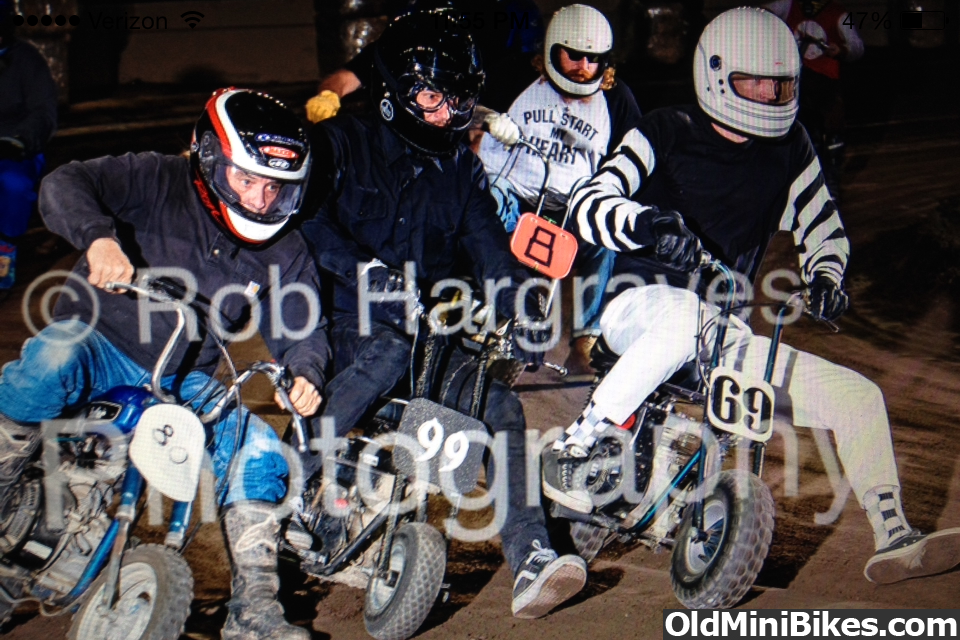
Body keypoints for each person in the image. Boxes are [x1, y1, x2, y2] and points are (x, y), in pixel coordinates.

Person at [541, 7, 960, 585]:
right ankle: (578, 444)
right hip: (636, 306)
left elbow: (823, 226)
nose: (768, 95)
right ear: (716, 74)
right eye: (754, 83)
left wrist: (827, 276)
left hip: (719, 330)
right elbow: (589, 202)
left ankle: (895, 536)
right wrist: (645, 225)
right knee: (685, 315)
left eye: (779, 85)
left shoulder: (791, 146)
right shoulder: (664, 129)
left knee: (857, 393)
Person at [0, 89, 330, 640]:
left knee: (260, 451)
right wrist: (98, 238)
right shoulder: (155, 178)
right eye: (246, 179)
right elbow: (65, 182)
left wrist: (305, 373)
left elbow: (302, 325)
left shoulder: (285, 248)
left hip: (183, 378)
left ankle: (254, 611)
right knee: (51, 360)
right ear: (210, 158)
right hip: (97, 340)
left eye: (275, 187)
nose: (259, 199)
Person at [298, 10, 587, 619]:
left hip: (423, 337)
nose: (446, 114)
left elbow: (492, 253)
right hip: (342, 327)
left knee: (501, 406)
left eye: (457, 100)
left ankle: (531, 555)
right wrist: (365, 273)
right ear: (394, 90)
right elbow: (309, 226)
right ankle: (293, 479)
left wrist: (521, 309)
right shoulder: (339, 143)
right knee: (389, 350)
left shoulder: (461, 168)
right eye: (432, 97)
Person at [478, 4, 642, 373]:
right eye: (574, 55)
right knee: (482, 204)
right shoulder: (514, 76)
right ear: (551, 50)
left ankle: (587, 338)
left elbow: (637, 152)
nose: (584, 66)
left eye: (593, 59)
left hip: (573, 208)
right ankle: (473, 304)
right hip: (515, 196)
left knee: (608, 238)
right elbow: (461, 108)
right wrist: (488, 118)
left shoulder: (617, 99)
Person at [306, 0, 544, 124]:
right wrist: (328, 95)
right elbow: (347, 76)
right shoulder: (404, 42)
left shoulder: (494, 47)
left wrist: (487, 124)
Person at [764, 0, 864, 201]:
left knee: (832, 137)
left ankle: (830, 180)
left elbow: (857, 47)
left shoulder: (839, 14)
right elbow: (762, 14)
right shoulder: (788, 5)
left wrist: (842, 49)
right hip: (796, 82)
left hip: (825, 84)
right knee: (799, 135)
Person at [0, 0, 58, 300]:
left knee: (13, 184)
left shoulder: (25, 59)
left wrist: (21, 139)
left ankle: (4, 253)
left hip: (14, 149)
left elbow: (43, 111)